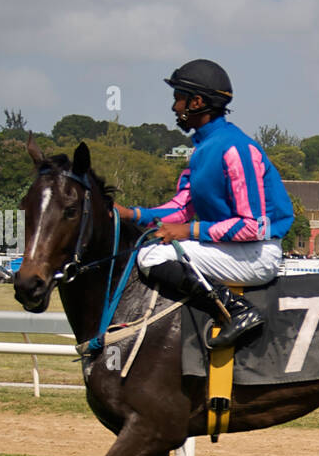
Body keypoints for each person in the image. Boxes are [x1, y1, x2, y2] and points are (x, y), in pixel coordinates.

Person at [115, 58, 293, 349]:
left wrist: (188, 231)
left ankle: (237, 311)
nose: (175, 108)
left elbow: (252, 225)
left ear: (197, 102)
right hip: (230, 249)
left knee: (151, 257)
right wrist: (129, 214)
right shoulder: (203, 150)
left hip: (257, 252)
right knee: (150, 248)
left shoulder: (235, 148)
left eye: (178, 100)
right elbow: (180, 208)